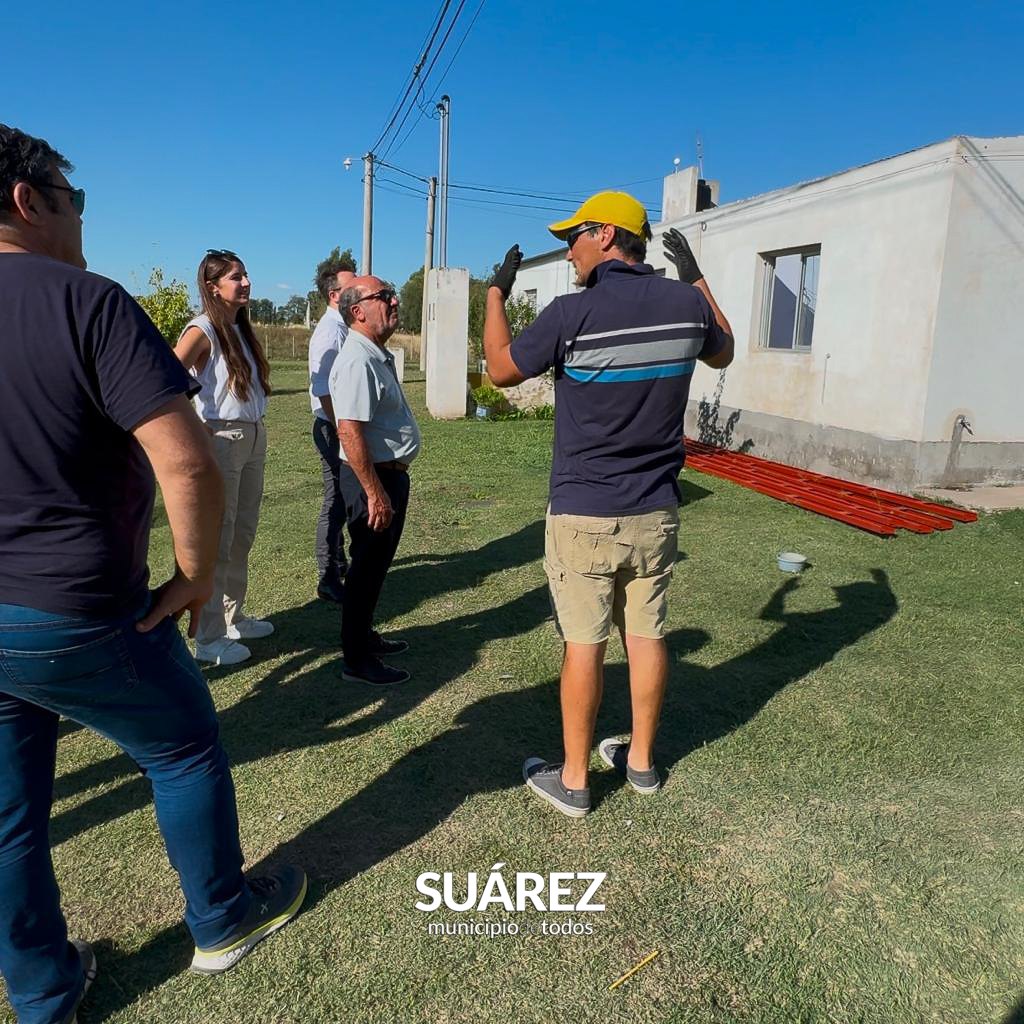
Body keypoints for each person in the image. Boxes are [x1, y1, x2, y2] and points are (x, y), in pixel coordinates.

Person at [0, 124, 305, 1024]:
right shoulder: (88, 302)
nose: (81, 219)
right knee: (182, 747)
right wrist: (194, 576)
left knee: (10, 814)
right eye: (74, 199)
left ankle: (41, 988)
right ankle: (223, 917)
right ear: (27, 199)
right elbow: (187, 462)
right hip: (78, 604)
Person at [483, 191, 735, 817]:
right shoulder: (685, 305)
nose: (569, 251)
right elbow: (724, 348)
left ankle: (574, 780)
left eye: (575, 237)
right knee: (646, 636)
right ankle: (642, 762)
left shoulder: (572, 313)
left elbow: (500, 371)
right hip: (657, 511)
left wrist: (494, 294)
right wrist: (696, 277)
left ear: (605, 235)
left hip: (584, 513)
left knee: (584, 644)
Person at [175, 250, 274, 666]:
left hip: (252, 436)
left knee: (242, 533)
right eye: (236, 277)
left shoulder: (239, 328)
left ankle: (234, 617)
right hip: (223, 439)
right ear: (213, 287)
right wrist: (196, 430)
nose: (245, 282)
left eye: (245, 274)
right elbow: (168, 377)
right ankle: (209, 638)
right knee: (219, 536)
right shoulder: (203, 330)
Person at [329, 276, 420, 686]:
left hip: (385, 476)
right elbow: (349, 430)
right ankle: (357, 660)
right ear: (358, 311)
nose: (394, 301)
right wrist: (374, 493)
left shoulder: (373, 354)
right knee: (365, 570)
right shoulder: (358, 360)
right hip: (372, 478)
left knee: (375, 566)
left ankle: (364, 638)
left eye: (391, 293)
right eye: (383, 296)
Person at [308, 262, 356, 603]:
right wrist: (343, 430)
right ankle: (328, 574)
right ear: (334, 294)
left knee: (342, 496)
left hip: (337, 425)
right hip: (331, 426)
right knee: (337, 498)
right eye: (352, 288)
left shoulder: (343, 327)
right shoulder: (330, 332)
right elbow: (323, 388)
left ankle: (338, 561)